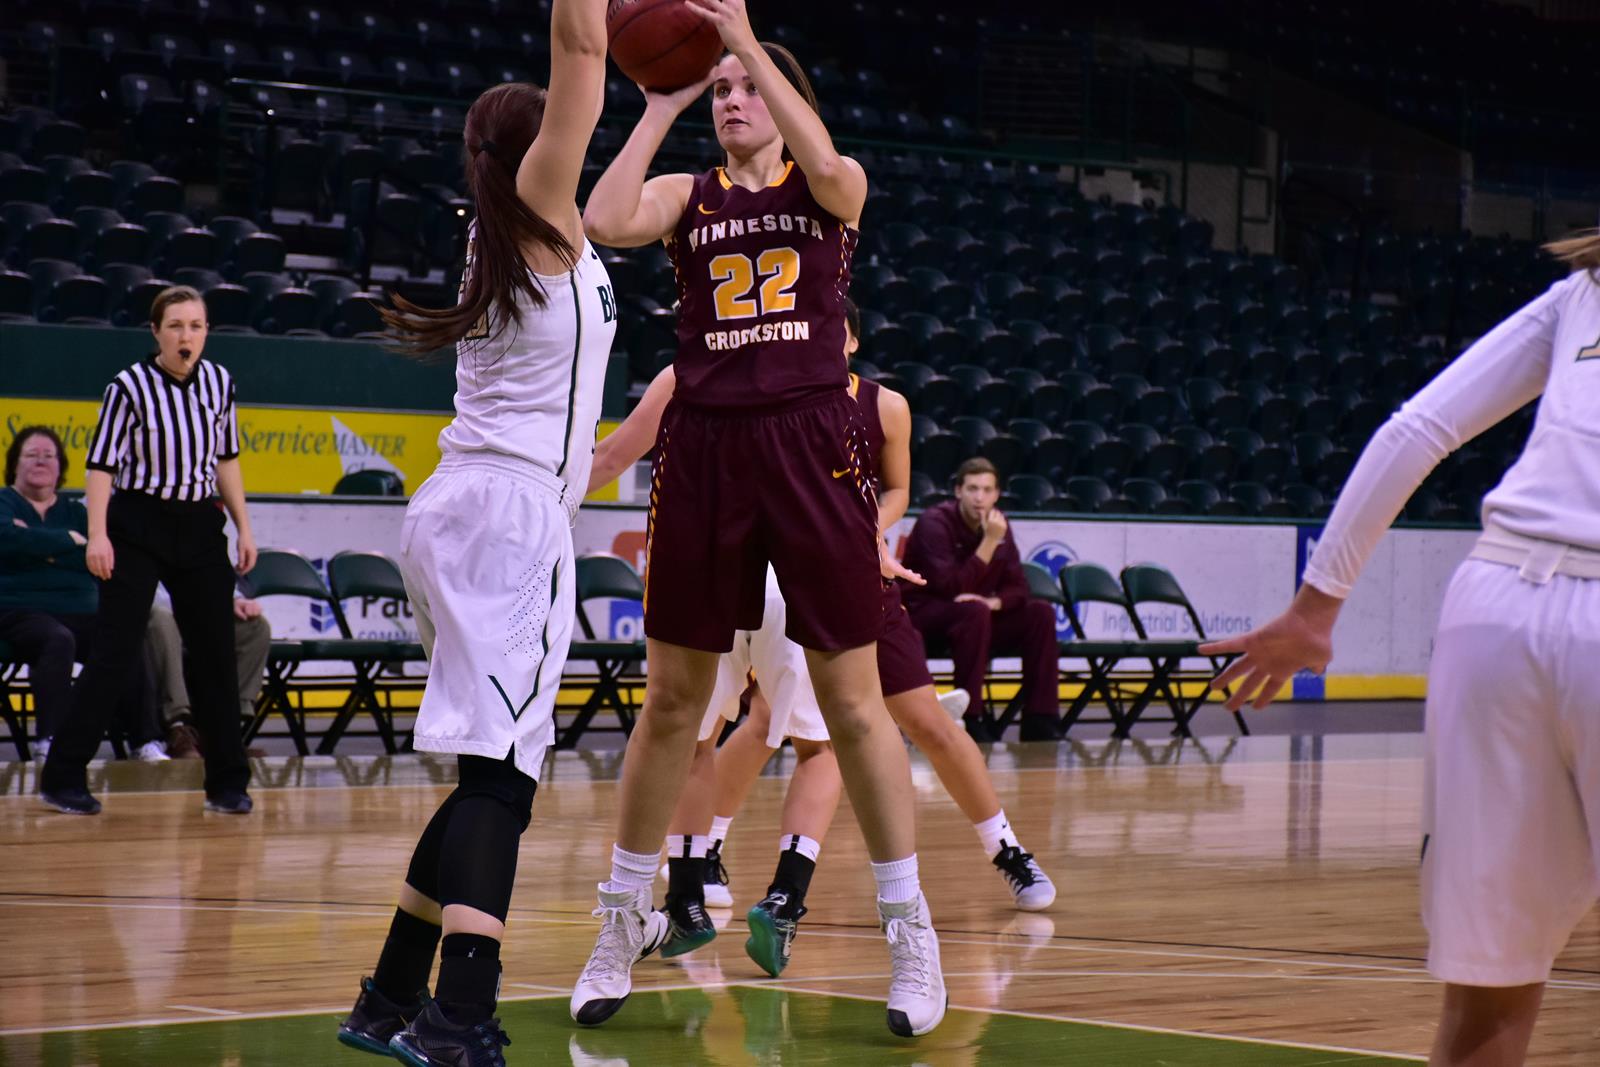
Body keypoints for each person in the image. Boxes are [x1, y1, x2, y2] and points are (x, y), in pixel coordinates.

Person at [574, 0, 946, 1038]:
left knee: (854, 703)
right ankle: (624, 913)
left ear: (785, 103)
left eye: (747, 88)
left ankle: (910, 929)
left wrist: (743, 39)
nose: (732, 100)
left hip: (812, 445)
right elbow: (602, 217)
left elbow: (830, 166)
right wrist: (662, 102)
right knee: (671, 701)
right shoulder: (687, 195)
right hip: (705, 449)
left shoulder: (829, 185)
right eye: (724, 91)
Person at [1201, 234, 1600, 1067]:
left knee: (1489, 991)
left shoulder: (1583, 291)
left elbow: (1417, 426)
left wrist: (1316, 605)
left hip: (1493, 612)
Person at [589, 301, 1056, 975]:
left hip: (824, 577)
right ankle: (741, 879)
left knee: (894, 724)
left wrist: (869, 532)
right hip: (775, 578)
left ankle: (1004, 849)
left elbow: (893, 492)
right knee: (780, 731)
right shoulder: (765, 389)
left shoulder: (875, 404)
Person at [333, 3, 616, 1063]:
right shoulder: (535, 213)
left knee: (482, 771)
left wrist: (675, 94)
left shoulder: (526, 229)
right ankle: (459, 1018)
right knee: (503, 781)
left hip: (473, 510)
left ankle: (389, 996)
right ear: (537, 152)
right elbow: (581, 45)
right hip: (505, 524)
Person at [38, 287, 255, 815]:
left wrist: (245, 528)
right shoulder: (128, 387)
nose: (187, 336)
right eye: (176, 325)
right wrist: (98, 535)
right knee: (116, 650)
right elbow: (101, 466)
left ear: (207, 331)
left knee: (215, 654)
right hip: (138, 522)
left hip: (199, 523)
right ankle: (62, 777)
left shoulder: (220, 383)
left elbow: (226, 460)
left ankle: (227, 783)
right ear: (156, 332)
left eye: (196, 326)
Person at [0, 427, 166, 761]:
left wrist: (34, 543)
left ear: (60, 467)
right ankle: (51, 741)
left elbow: (95, 557)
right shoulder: (4, 503)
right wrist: (68, 540)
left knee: (123, 637)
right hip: (18, 611)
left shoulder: (78, 512)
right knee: (57, 639)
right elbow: (6, 540)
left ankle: (145, 741)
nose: (41, 461)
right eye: (31, 455)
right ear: (15, 463)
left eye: (49, 456)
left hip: (80, 609)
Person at [901, 457, 1064, 742]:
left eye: (987, 490)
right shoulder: (933, 523)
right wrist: (989, 543)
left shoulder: (999, 525)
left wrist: (995, 603)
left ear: (997, 494)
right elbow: (949, 587)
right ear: (958, 491)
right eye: (973, 489)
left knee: (1040, 613)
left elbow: (1019, 588)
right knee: (974, 611)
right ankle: (971, 717)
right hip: (924, 615)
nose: (980, 498)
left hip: (975, 618)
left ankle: (1040, 719)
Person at [145, 589, 271, 732]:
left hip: (196, 617)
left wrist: (234, 598)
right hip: (151, 616)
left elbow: (212, 577)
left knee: (255, 627)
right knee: (161, 618)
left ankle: (228, 723)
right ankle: (178, 726)